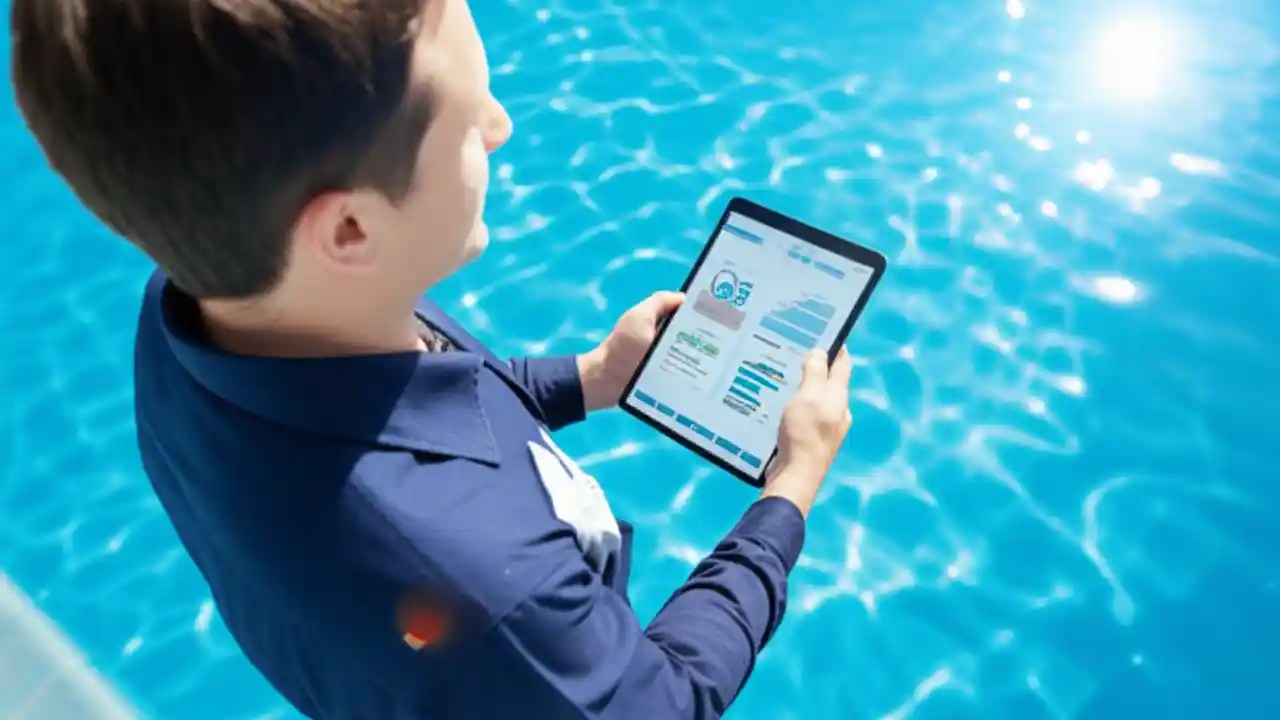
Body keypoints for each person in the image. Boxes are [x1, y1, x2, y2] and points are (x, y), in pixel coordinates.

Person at [11, 0, 854, 717]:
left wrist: (593, 378)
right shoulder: (490, 587)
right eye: (468, 117)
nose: (500, 126)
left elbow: (420, 402)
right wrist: (791, 490)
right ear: (349, 231)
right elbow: (659, 702)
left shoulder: (202, 313)